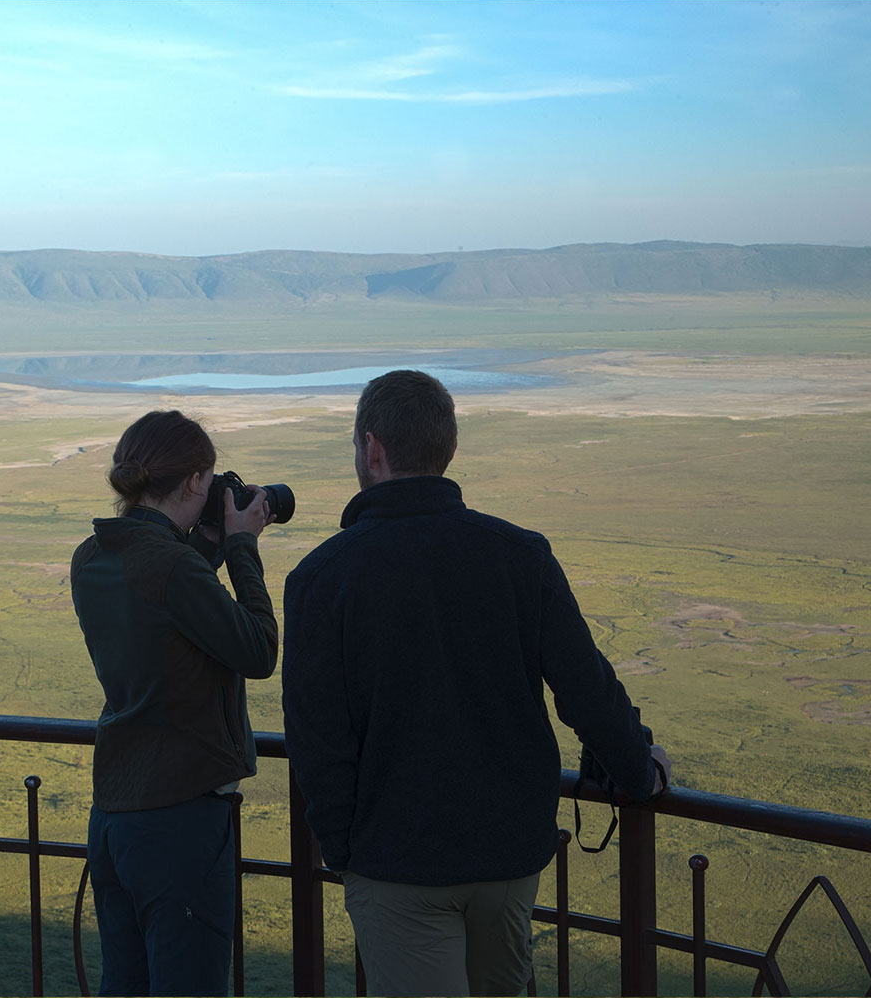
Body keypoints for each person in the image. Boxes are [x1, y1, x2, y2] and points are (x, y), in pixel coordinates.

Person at [281, 370, 671, 997]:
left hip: (394, 862)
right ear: (448, 450)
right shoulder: (519, 556)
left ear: (371, 448)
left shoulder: (322, 578)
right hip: (507, 858)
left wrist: (347, 851)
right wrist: (637, 770)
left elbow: (315, 734)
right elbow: (586, 689)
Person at [70, 409, 278, 997]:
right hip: (180, 818)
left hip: (114, 816)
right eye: (209, 482)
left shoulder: (91, 557)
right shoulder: (172, 566)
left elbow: (165, 604)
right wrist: (240, 547)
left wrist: (203, 546)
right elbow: (259, 651)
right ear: (193, 481)